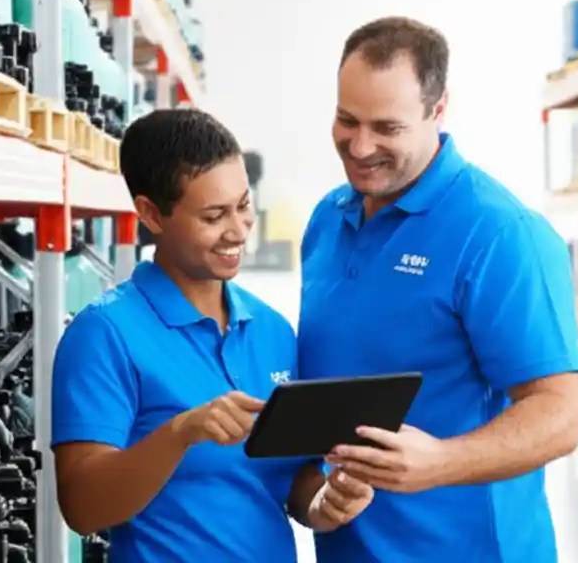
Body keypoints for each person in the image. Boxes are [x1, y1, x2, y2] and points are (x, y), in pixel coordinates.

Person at [297, 16, 578, 562]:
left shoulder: (500, 234)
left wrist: (440, 462)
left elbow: (561, 412)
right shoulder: (327, 220)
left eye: (387, 128)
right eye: (346, 120)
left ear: (437, 110)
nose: (360, 147)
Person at [50, 108, 374, 562]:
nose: (238, 230)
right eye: (213, 216)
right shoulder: (104, 334)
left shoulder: (272, 331)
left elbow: (288, 479)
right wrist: (181, 431)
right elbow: (83, 508)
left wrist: (324, 502)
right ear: (151, 214)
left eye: (243, 206)